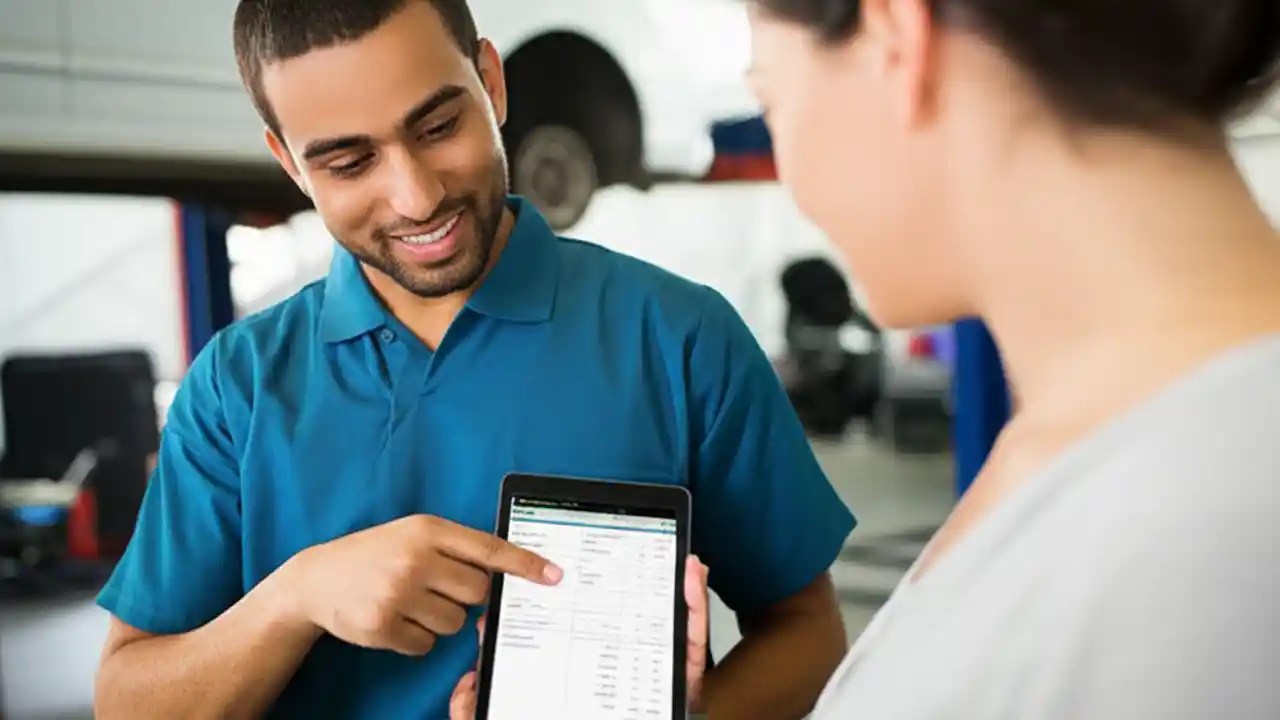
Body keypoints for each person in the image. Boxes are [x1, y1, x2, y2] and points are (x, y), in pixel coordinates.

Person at [91, 1, 855, 718]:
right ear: (290, 163)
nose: (417, 197)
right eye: (350, 163)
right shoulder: (236, 389)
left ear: (491, 81)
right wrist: (296, 597)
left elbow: (809, 630)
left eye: (438, 126)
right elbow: (127, 700)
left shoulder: (681, 339)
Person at [730, 0, 1280, 717]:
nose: (790, 174)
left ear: (895, 38)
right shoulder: (1119, 443)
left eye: (771, 100)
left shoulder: (1198, 546)